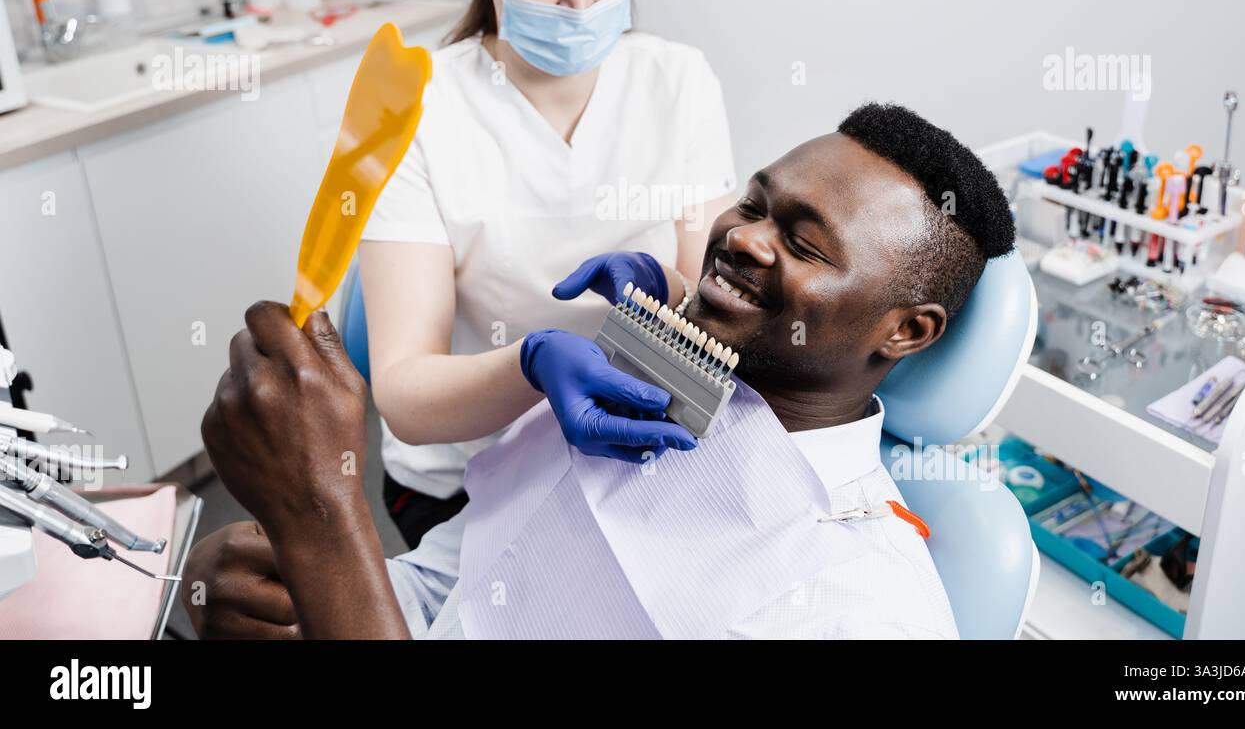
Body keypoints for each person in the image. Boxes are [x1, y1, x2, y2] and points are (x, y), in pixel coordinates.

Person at [187, 103, 1016, 639]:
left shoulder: (858, 605)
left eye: (803, 244)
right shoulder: (644, 392)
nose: (743, 239)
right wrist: (309, 592)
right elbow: (467, 582)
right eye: (755, 205)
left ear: (906, 330)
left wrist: (323, 519)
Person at [359, 0, 737, 547]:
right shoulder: (410, 110)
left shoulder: (677, 80)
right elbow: (404, 395)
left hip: (631, 444)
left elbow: (708, 306)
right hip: (470, 473)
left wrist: (670, 288)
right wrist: (531, 365)